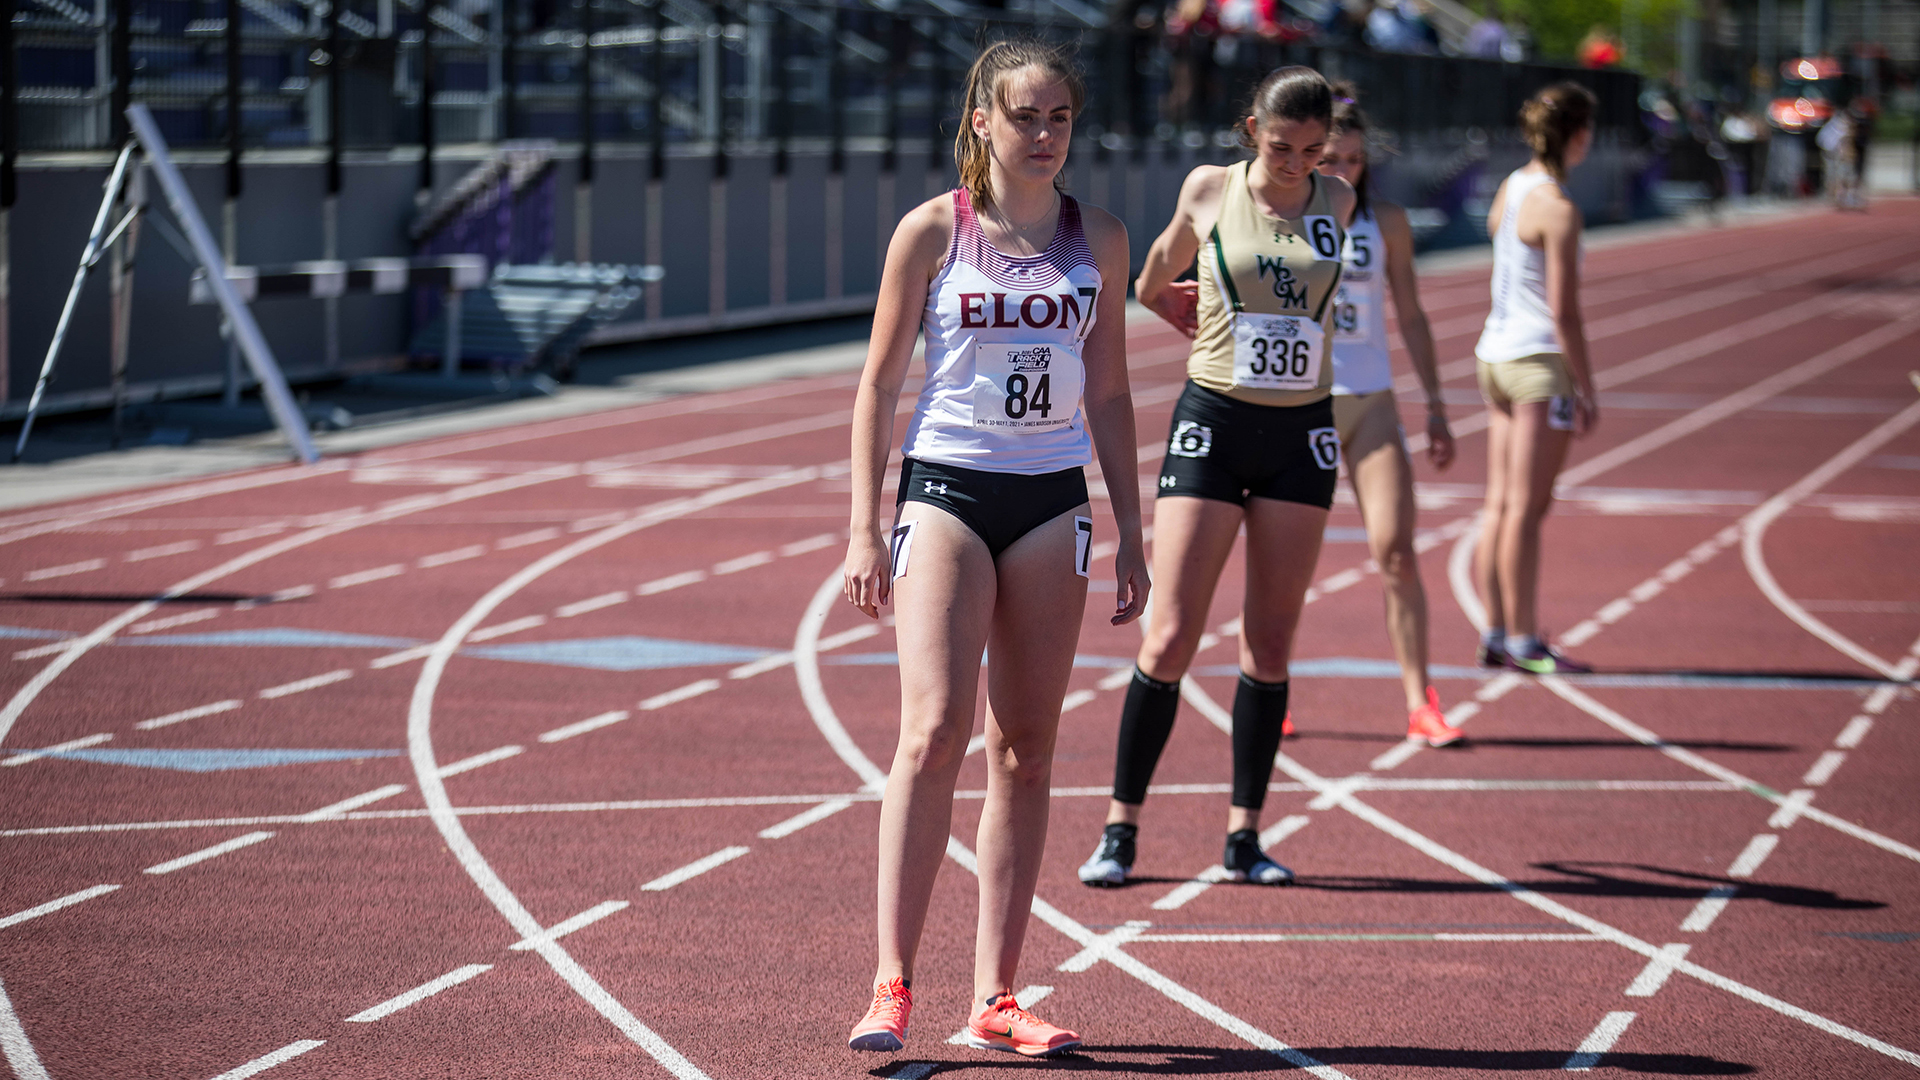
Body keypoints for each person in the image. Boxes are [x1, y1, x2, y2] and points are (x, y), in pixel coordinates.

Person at [842, 38, 1148, 1058]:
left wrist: (1132, 530)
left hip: (1053, 497)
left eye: (1061, 117)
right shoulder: (935, 230)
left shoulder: (1100, 238)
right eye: (1026, 116)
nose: (1046, 134)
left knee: (1026, 750)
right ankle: (891, 982)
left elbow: (1111, 391)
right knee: (934, 730)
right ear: (982, 119)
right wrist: (863, 525)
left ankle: (998, 996)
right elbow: (880, 383)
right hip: (948, 491)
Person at [1078, 66, 1356, 889]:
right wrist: (1180, 308)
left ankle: (1245, 836)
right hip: (1216, 423)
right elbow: (1149, 279)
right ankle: (1120, 831)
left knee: (1270, 641)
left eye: (1312, 151)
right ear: (1252, 131)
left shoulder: (1338, 201)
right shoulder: (1211, 189)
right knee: (1171, 634)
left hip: (1302, 431)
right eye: (1282, 148)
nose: (1296, 164)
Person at [1314, 84, 1463, 747]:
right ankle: (1268, 689)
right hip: (1303, 403)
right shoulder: (1280, 220)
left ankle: (1419, 700)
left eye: (1353, 160)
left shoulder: (1387, 222)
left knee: (1397, 551)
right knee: (1286, 559)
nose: (1342, 172)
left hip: (1372, 398)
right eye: (1329, 160)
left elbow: (1411, 313)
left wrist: (1436, 404)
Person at [1472, 82, 1600, 676]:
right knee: (1527, 509)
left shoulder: (1512, 186)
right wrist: (1586, 386)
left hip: (1494, 353)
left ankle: (1496, 630)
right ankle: (1524, 639)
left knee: (1500, 505)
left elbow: (1496, 237)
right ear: (1579, 135)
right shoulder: (1560, 207)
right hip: (1537, 363)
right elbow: (1564, 310)